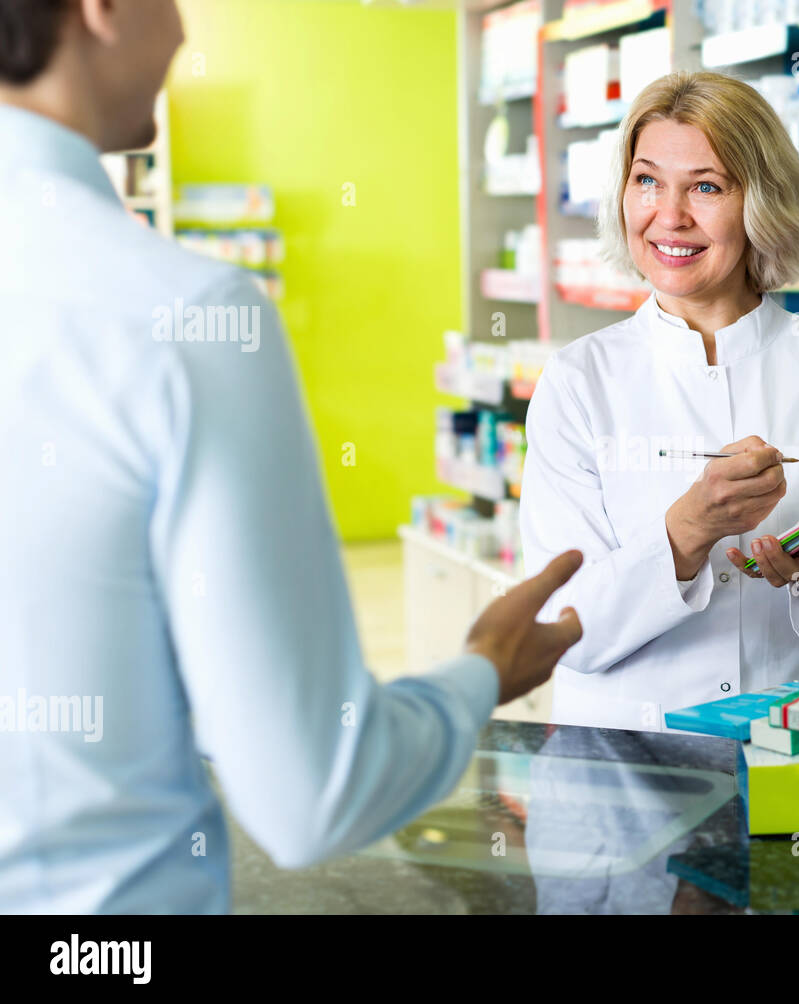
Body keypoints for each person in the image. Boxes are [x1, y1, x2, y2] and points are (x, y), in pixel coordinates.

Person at [0, 0, 581, 914]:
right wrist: (482, 672)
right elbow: (312, 793)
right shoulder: (187, 317)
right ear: (101, 11)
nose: (185, 32)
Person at [520, 71, 799, 731]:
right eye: (647, 180)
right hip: (633, 774)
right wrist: (686, 534)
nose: (669, 215)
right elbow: (560, 627)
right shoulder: (578, 382)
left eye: (706, 187)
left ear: (761, 203)